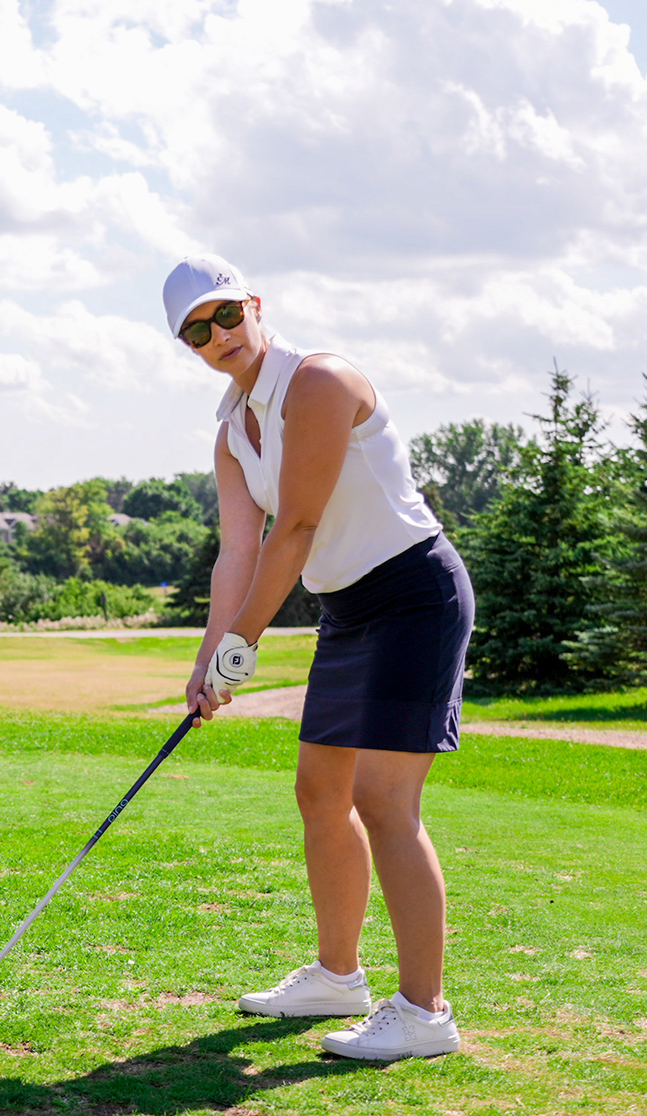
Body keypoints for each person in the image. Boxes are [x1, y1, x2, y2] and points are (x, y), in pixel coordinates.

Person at [166, 254, 473, 1060]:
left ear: (255, 306)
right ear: (188, 347)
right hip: (347, 607)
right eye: (197, 330)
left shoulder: (322, 383)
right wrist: (208, 662)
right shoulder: (234, 429)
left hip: (414, 596)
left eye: (226, 314)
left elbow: (294, 528)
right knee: (320, 792)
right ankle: (339, 977)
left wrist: (244, 644)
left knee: (382, 797)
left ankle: (425, 1012)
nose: (218, 335)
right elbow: (237, 551)